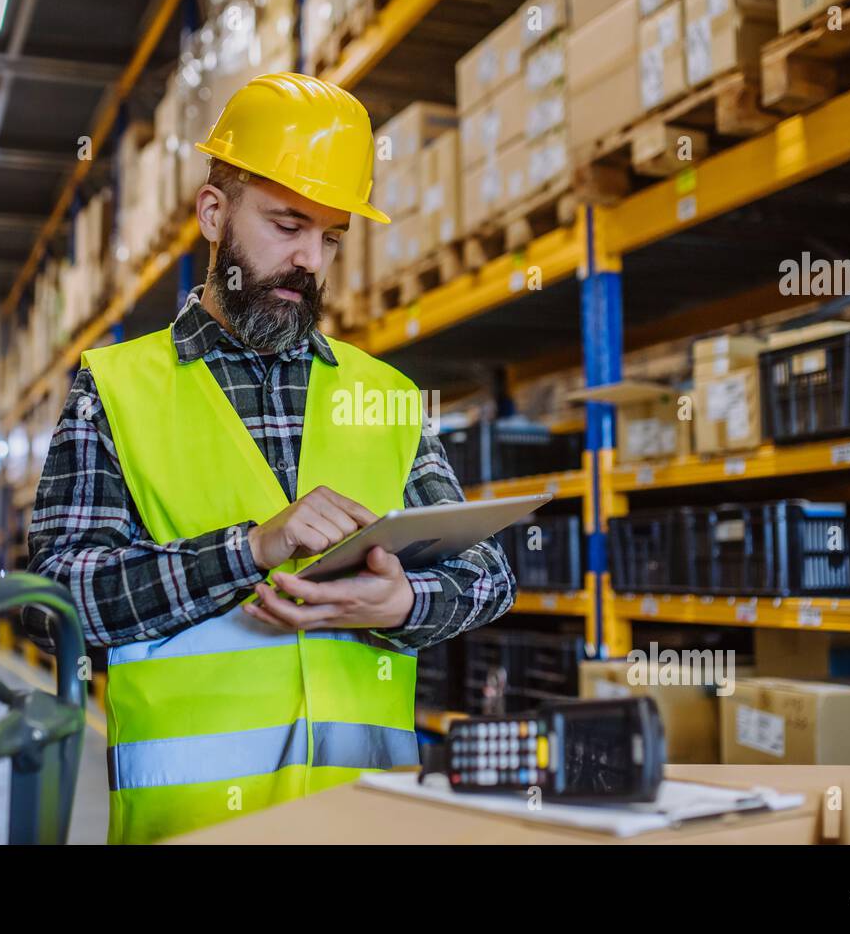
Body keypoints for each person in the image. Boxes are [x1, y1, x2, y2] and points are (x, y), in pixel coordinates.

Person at [27, 72, 515, 843]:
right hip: (190, 828)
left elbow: (488, 575)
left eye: (329, 239)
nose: (308, 261)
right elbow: (53, 601)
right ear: (214, 212)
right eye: (287, 225)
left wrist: (400, 606)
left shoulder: (383, 392)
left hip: (366, 826)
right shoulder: (114, 388)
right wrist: (249, 549)